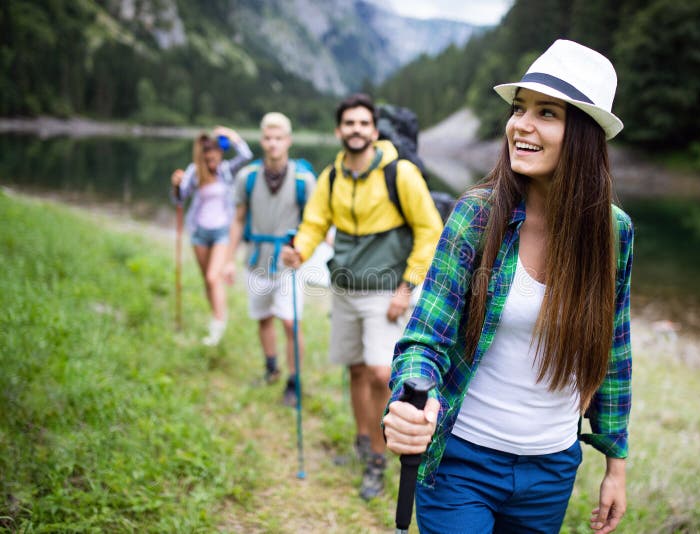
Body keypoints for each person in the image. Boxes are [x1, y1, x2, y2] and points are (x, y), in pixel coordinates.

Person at [382, 39, 633, 534]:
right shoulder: (477, 216)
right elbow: (425, 339)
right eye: (519, 109)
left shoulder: (614, 232)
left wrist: (615, 464)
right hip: (462, 461)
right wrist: (410, 400)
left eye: (546, 113)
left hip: (551, 470)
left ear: (583, 134)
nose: (521, 125)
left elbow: (614, 349)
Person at [281, 94, 443, 500]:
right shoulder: (332, 176)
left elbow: (429, 230)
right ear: (339, 130)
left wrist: (407, 287)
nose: (356, 130)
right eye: (349, 123)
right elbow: (315, 223)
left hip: (386, 292)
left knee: (379, 373)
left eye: (363, 123)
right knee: (355, 370)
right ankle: (362, 441)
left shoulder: (400, 173)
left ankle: (377, 457)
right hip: (344, 289)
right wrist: (299, 249)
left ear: (374, 130)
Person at [223, 112, 316, 407]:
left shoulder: (303, 179)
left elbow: (315, 222)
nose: (273, 143)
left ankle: (294, 382)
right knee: (263, 317)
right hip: (256, 259)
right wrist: (228, 259)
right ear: (262, 141)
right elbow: (238, 220)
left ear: (288, 141)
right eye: (268, 138)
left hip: (289, 263)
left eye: (278, 138)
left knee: (290, 323)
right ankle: (271, 368)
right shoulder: (247, 177)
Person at [171, 126, 252, 346]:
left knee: (212, 277)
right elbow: (179, 199)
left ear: (220, 153)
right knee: (207, 281)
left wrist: (231, 135)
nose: (212, 161)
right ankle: (215, 316)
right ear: (203, 156)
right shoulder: (195, 172)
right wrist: (176, 185)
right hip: (199, 233)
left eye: (216, 155)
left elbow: (246, 155)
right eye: (208, 157)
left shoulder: (226, 171)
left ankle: (218, 324)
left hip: (221, 232)